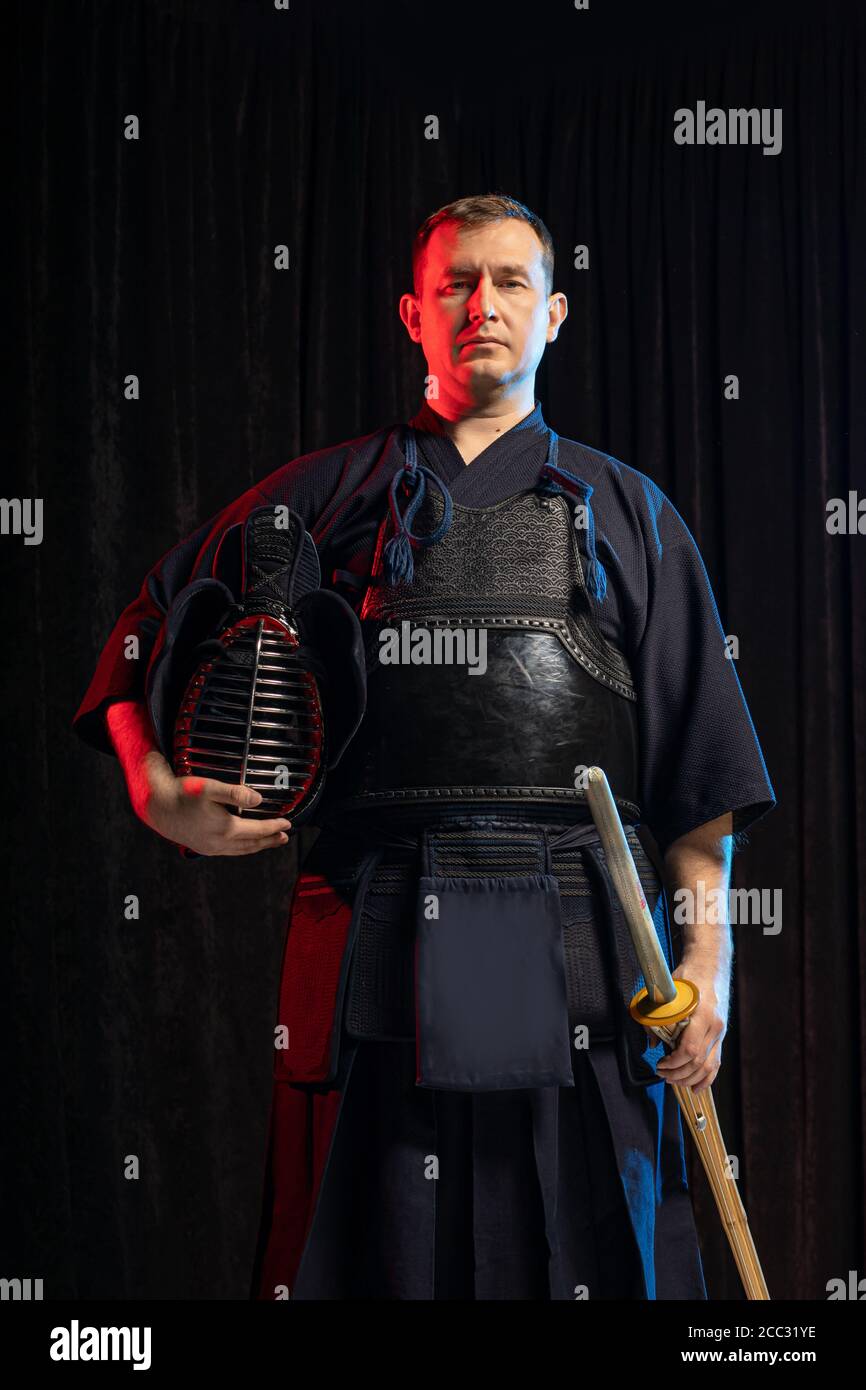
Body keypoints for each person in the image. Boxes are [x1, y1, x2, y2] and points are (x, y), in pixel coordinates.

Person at [72, 193, 776, 1300]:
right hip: (375, 959)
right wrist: (157, 789)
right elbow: (141, 639)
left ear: (553, 314)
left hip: (581, 961)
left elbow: (700, 783)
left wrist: (706, 962)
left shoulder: (633, 515)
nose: (480, 305)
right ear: (413, 313)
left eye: (507, 283)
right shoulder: (321, 500)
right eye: (455, 283)